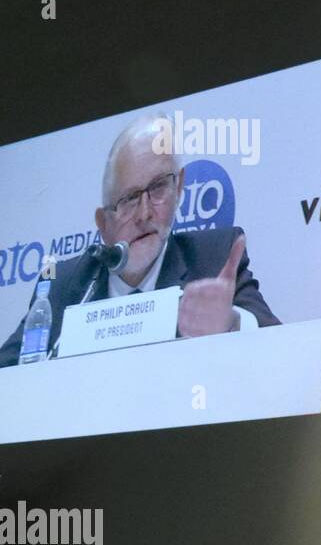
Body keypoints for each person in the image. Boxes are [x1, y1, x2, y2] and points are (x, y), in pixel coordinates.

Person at [0, 115, 278, 367]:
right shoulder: (67, 285)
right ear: (103, 223)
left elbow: (282, 349)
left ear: (179, 187)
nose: (145, 213)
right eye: (129, 198)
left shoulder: (213, 258)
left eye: (158, 187)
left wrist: (233, 322)